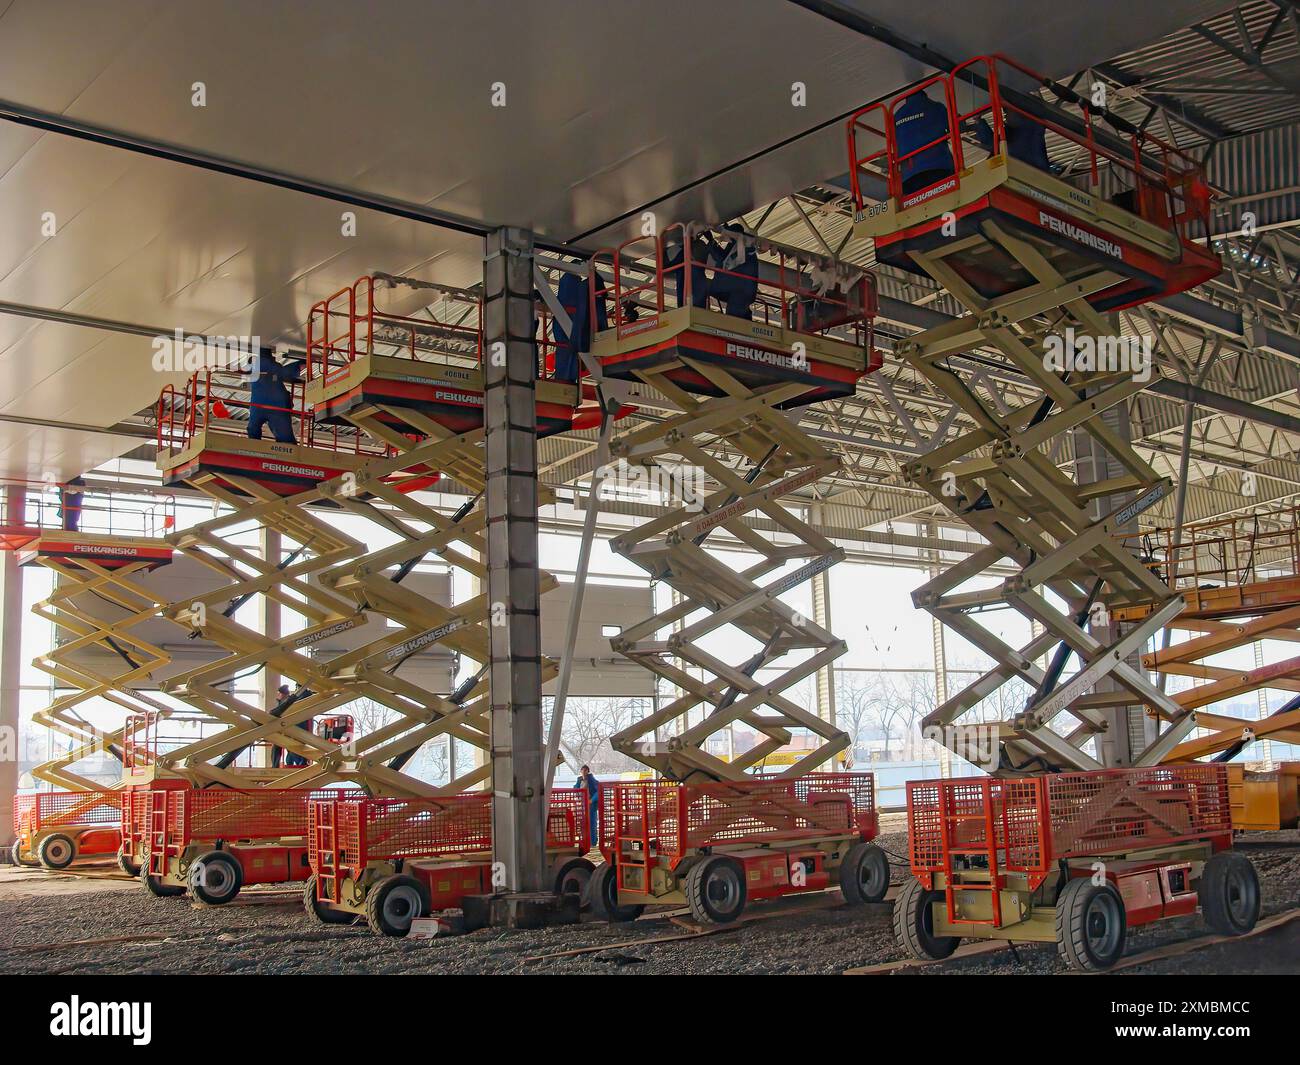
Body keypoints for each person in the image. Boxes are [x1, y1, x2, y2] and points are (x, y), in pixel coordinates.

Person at [552, 263, 607, 383]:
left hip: (570, 334)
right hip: (576, 331)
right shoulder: (582, 286)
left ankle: (565, 378)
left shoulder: (570, 286)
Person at [893, 89, 955, 195]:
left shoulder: (895, 116)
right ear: (925, 95)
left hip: (908, 178)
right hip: (939, 169)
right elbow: (956, 127)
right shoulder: (935, 107)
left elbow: (894, 143)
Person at [706, 223, 759, 320]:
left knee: (734, 317)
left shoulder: (747, 248)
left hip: (741, 291)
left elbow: (740, 239)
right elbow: (722, 259)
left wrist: (722, 230)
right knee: (702, 285)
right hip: (733, 289)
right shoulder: (732, 247)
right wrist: (711, 241)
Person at [247, 350, 301, 444]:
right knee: (285, 438)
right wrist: (301, 364)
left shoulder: (255, 369)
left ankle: (253, 447)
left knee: (253, 429)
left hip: (259, 406)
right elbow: (286, 372)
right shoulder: (274, 367)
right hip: (277, 407)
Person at [974, 110, 1049, 172]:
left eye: (1007, 112)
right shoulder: (1010, 132)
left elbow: (1012, 150)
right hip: (1021, 168)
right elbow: (993, 143)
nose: (1005, 116)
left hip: (1033, 168)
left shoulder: (1030, 129)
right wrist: (979, 121)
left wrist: (989, 148)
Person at [662, 228, 711, 309]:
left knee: (689, 300)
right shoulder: (696, 246)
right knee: (695, 301)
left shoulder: (693, 247)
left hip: (692, 279)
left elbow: (670, 264)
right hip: (694, 280)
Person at [576, 764, 601, 847]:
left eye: (585, 770)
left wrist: (591, 800)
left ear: (588, 771)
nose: (583, 772)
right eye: (582, 770)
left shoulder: (592, 781)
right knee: (583, 824)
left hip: (590, 806)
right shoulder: (579, 780)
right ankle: (586, 842)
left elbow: (598, 792)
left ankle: (592, 843)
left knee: (592, 824)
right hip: (582, 805)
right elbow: (576, 790)